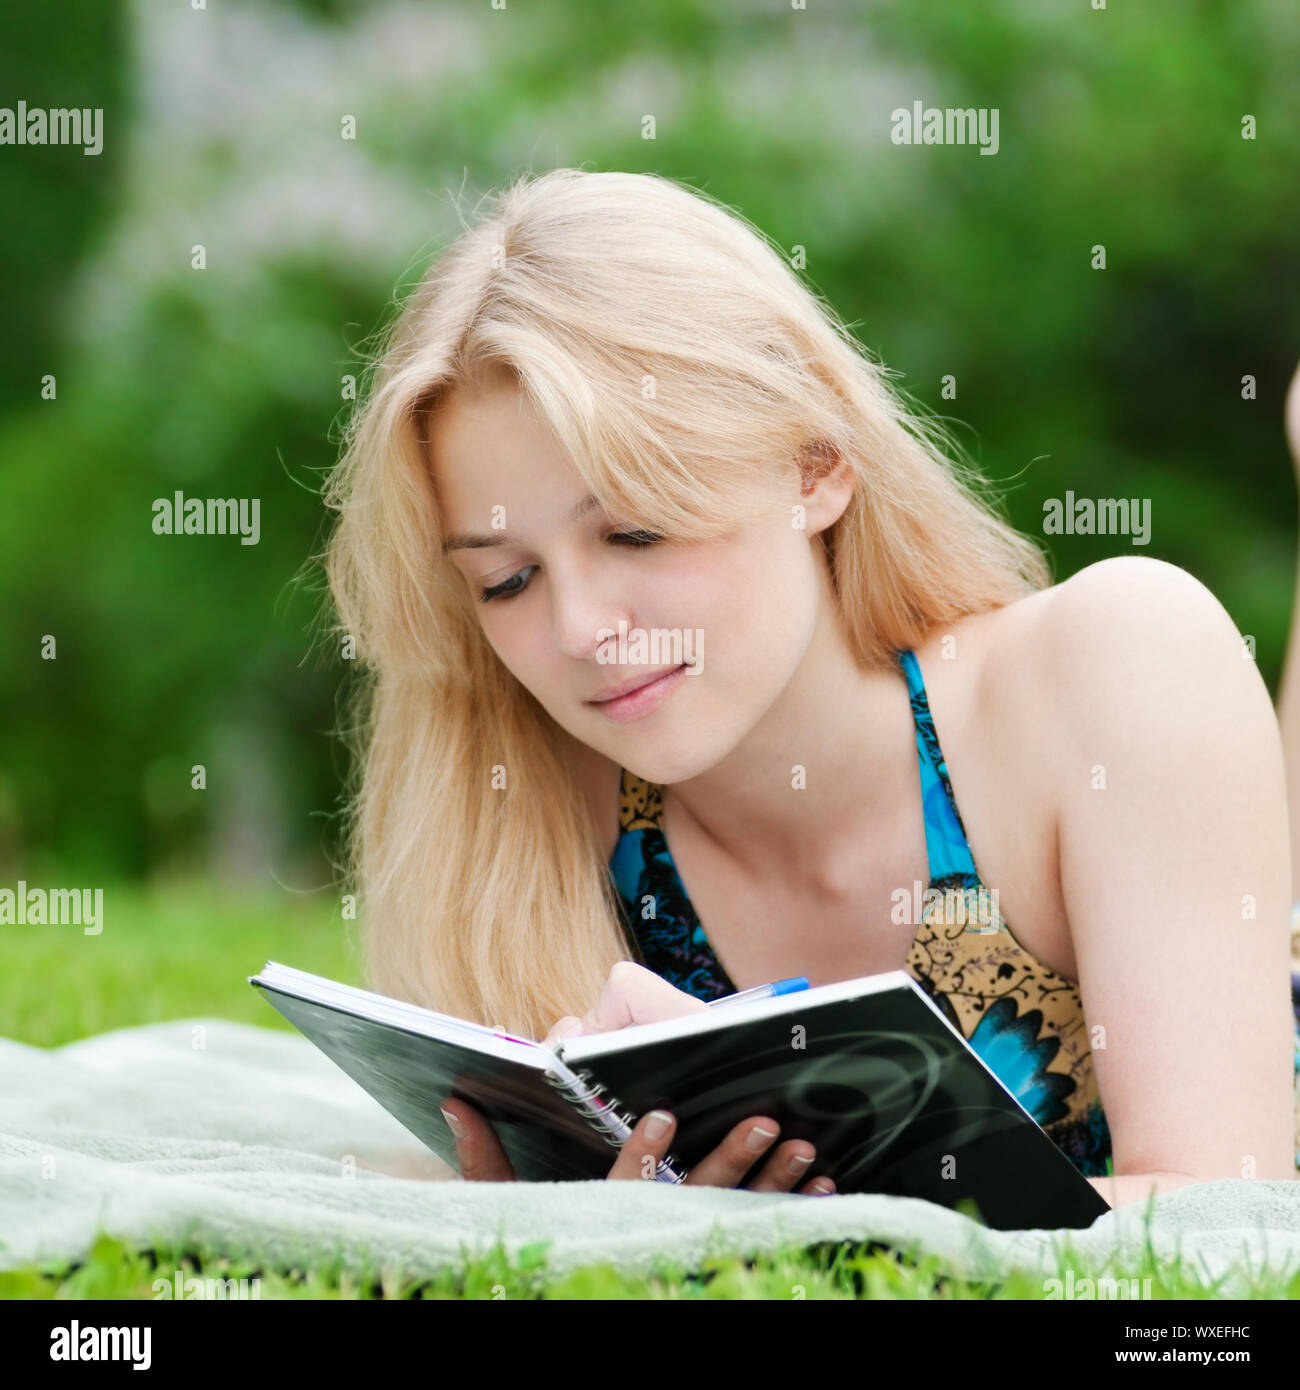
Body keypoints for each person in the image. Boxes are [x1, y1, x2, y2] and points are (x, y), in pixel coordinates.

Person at [323, 168, 1300, 1210]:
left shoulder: (1113, 659)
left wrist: (809, 1213)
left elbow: (1227, 1225)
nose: (578, 632)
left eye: (636, 530)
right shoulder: (527, 779)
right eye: (504, 579)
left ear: (815, 466)